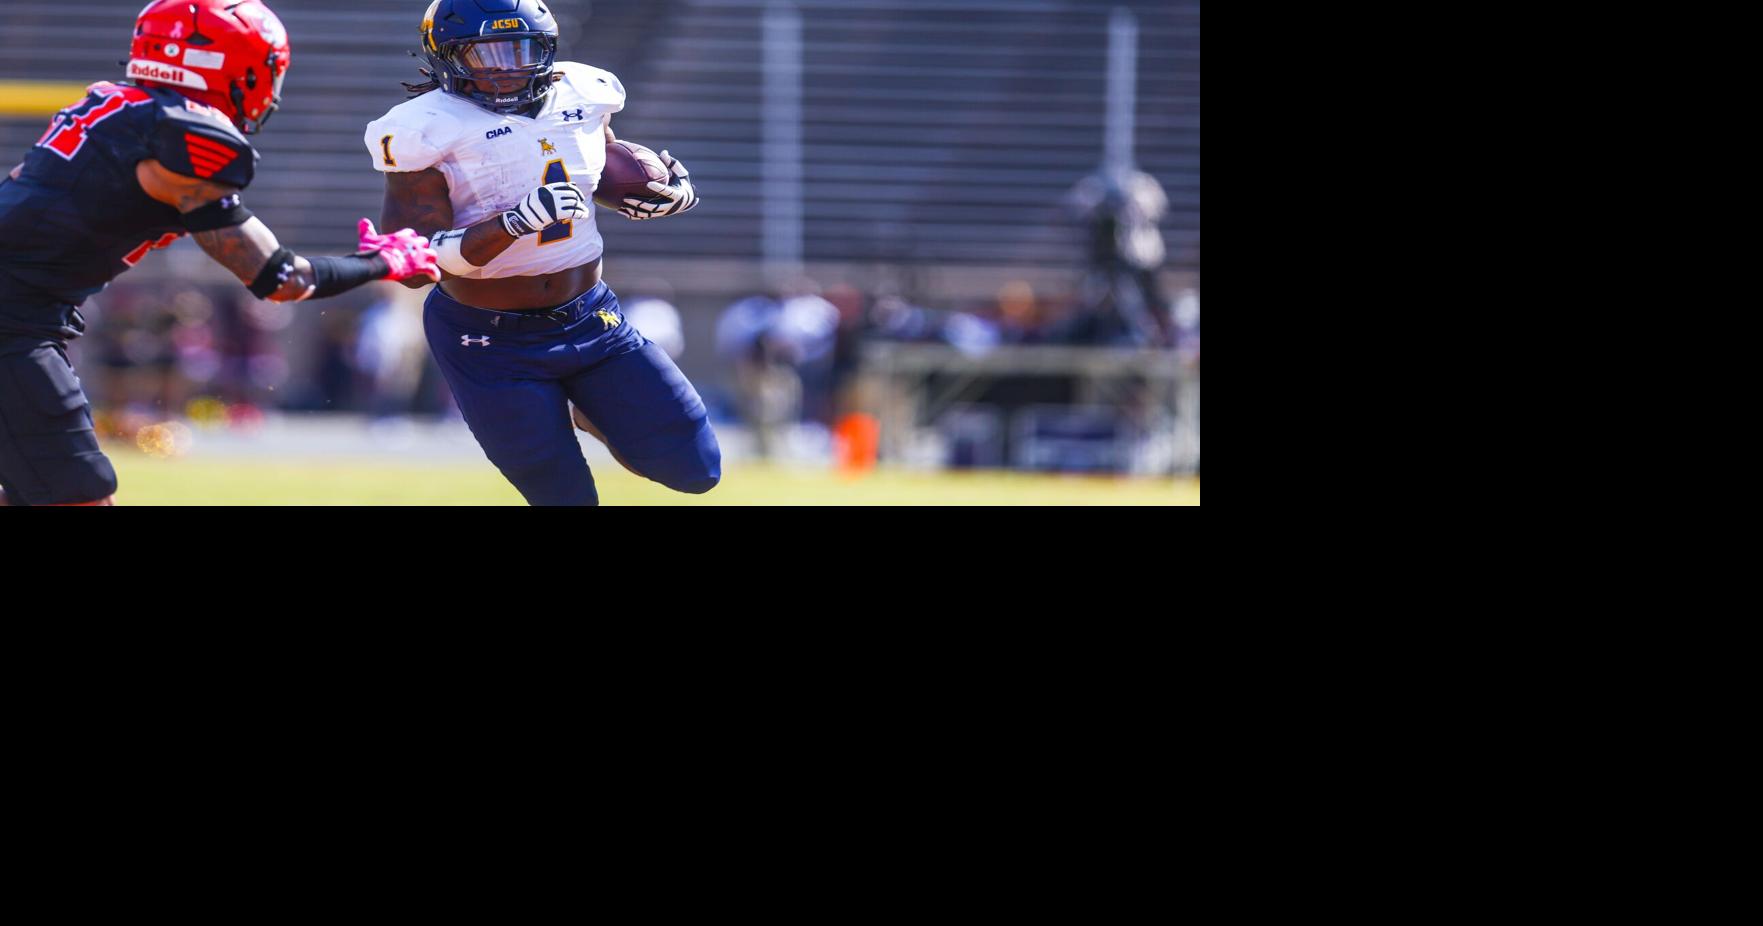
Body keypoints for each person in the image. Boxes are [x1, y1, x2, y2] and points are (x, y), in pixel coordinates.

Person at [0, 0, 440, 507]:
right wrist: (385, 261)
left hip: (23, 316)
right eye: (264, 71)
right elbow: (279, 278)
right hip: (14, 325)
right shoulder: (187, 136)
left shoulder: (115, 105)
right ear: (230, 66)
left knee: (33, 494)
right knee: (79, 498)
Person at [369, 0, 720, 506]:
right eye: (488, 56)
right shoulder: (423, 127)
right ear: (446, 57)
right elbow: (412, 266)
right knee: (565, 498)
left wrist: (655, 190)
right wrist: (513, 223)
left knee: (696, 469)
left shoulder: (584, 91)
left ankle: (588, 409)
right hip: (487, 338)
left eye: (521, 51)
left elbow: (583, 170)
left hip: (590, 316)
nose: (508, 69)